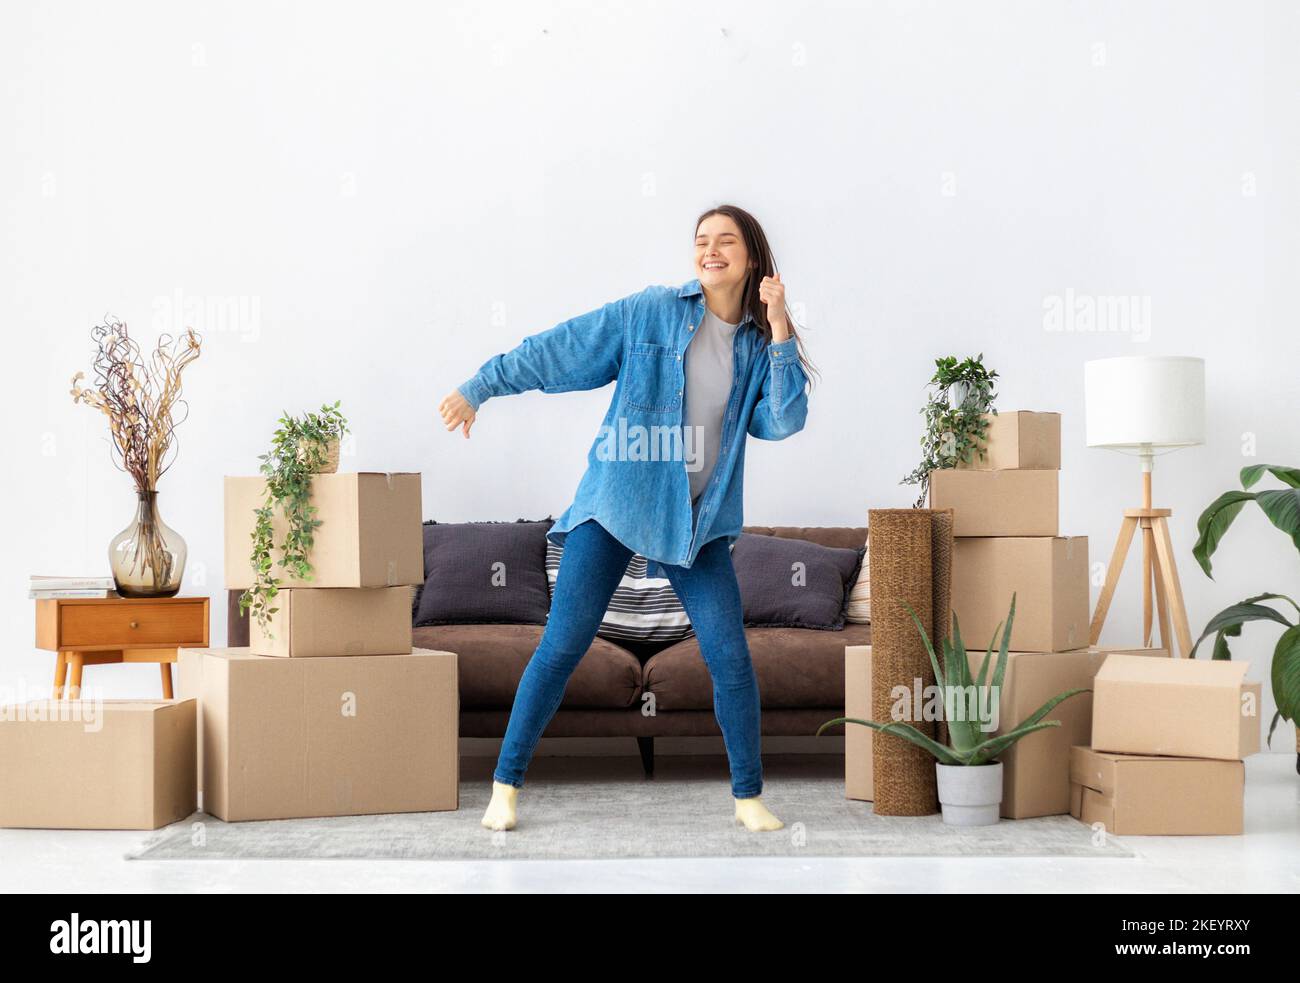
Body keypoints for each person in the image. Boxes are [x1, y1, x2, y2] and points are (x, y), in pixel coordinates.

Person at [438, 204, 814, 831]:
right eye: (701, 241)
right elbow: (564, 348)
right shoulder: (651, 312)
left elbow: (783, 421)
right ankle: (504, 786)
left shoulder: (755, 344)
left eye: (726, 242)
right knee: (562, 646)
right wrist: (481, 386)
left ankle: (749, 797)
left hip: (696, 525)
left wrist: (779, 330)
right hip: (616, 506)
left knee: (730, 659)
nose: (711, 251)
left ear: (752, 258)